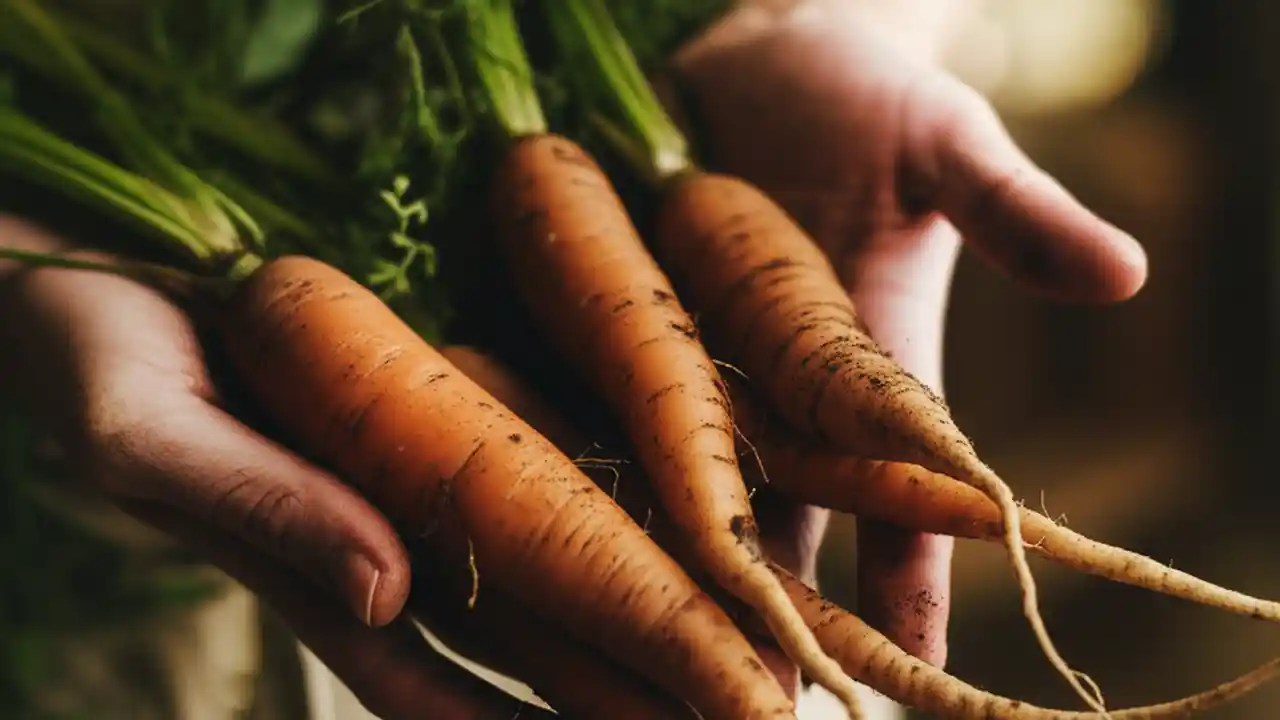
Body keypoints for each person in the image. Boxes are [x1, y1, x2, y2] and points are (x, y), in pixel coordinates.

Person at [0, 1, 1147, 717]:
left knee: (769, 623)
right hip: (86, 558)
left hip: (626, 164)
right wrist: (20, 274)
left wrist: (855, 18)